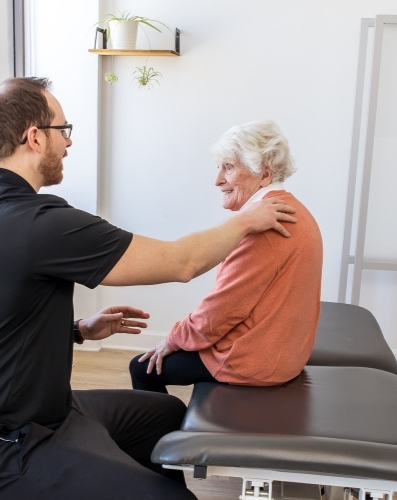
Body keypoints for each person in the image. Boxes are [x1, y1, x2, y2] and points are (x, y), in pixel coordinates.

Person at [0, 78, 297, 500]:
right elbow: (182, 262)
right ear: (34, 137)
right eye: (63, 131)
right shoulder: (39, 223)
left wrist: (78, 330)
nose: (68, 143)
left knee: (163, 414)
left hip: (46, 413)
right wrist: (247, 219)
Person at [130, 119, 322, 393]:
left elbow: (218, 315)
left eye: (229, 168)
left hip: (258, 361)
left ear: (264, 174)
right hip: (285, 352)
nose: (218, 180)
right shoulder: (294, 209)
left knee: (142, 367)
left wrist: (172, 340)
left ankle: (166, 437)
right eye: (219, 167)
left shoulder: (265, 228)